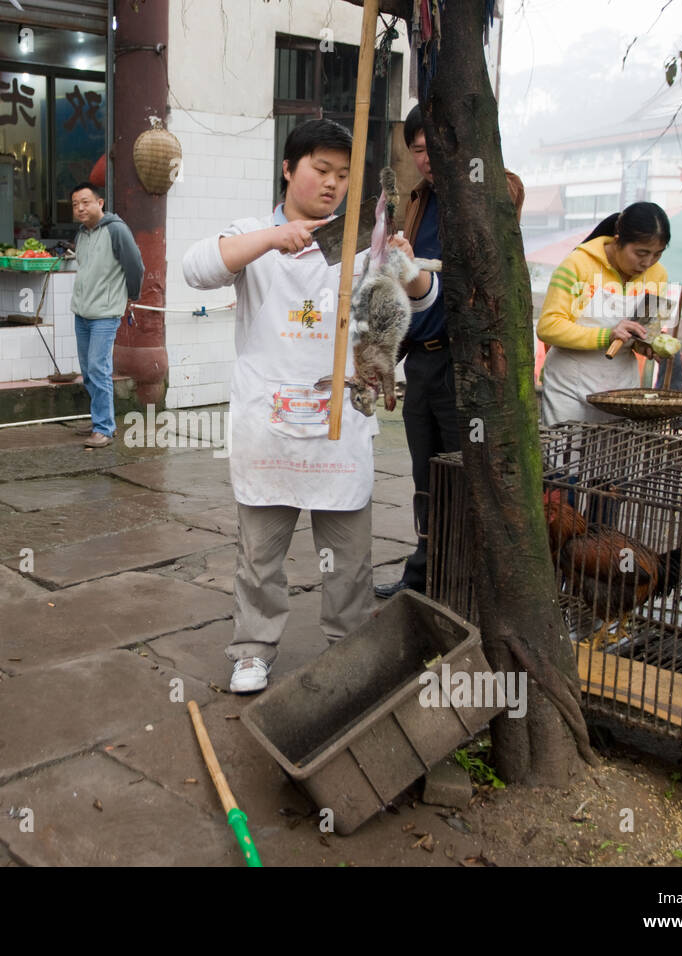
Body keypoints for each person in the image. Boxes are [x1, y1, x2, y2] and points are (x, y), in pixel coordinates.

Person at [183, 119, 438, 693]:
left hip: (338, 424)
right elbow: (197, 268)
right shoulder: (252, 234)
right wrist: (274, 239)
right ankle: (252, 649)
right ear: (288, 168)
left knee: (349, 560)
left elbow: (421, 302)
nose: (332, 184)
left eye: (343, 175)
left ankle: (349, 649)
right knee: (260, 554)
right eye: (321, 170)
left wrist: (410, 271)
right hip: (269, 425)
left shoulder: (358, 242)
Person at [376, 105, 525, 600]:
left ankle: (463, 581)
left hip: (469, 362)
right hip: (423, 357)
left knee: (466, 474)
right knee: (425, 475)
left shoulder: (492, 188)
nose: (426, 158)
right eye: (417, 149)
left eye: (435, 146)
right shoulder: (417, 201)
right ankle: (423, 576)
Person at [537, 201, 672, 427]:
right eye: (641, 253)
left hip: (621, 389)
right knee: (566, 457)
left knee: (617, 459)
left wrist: (648, 345)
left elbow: (645, 332)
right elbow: (548, 327)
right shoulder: (577, 265)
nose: (647, 263)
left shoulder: (658, 276)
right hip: (570, 385)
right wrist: (607, 335)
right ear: (618, 240)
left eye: (657, 254)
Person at [69, 182, 143, 447]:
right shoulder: (82, 234)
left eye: (86, 202)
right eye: (76, 204)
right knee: (88, 370)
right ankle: (100, 418)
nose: (80, 208)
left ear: (100, 203)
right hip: (82, 312)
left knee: (99, 369)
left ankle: (104, 428)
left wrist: (131, 297)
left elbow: (135, 266)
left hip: (105, 313)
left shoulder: (116, 230)